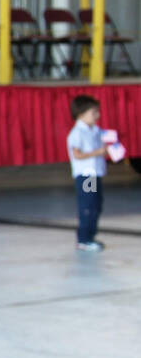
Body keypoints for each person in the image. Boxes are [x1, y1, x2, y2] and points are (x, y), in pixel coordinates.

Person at [66, 94, 113, 252]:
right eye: (94, 112)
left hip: (95, 173)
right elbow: (77, 154)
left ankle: (90, 237)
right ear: (81, 114)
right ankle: (84, 240)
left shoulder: (95, 130)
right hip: (87, 175)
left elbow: (106, 138)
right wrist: (99, 151)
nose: (97, 116)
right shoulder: (77, 133)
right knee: (88, 206)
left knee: (97, 204)